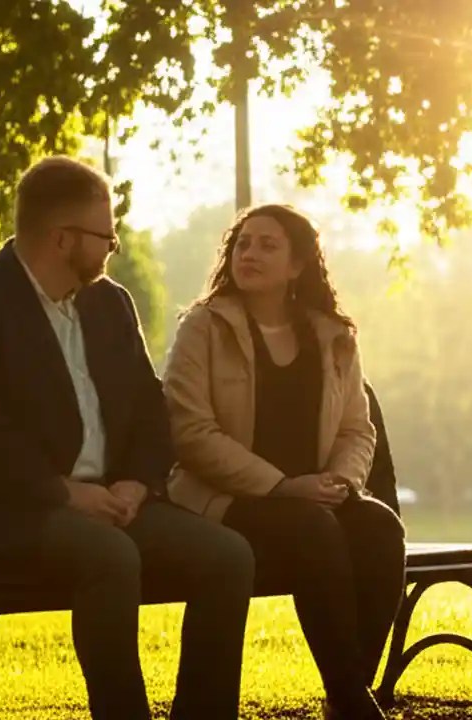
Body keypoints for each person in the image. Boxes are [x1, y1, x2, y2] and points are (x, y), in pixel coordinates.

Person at [0, 156, 254, 720]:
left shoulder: (110, 303)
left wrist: (137, 483)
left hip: (111, 504)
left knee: (228, 555)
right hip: (5, 514)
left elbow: (152, 411)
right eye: (107, 236)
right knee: (110, 555)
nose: (112, 249)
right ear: (61, 238)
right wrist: (63, 493)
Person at [163, 204, 406, 720]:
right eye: (243, 243)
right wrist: (281, 486)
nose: (249, 253)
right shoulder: (201, 328)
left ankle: (348, 691)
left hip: (313, 500)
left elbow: (357, 428)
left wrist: (341, 482)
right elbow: (192, 434)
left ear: (298, 265)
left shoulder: (334, 336)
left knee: (380, 528)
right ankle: (353, 702)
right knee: (312, 528)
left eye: (267, 245)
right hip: (223, 500)